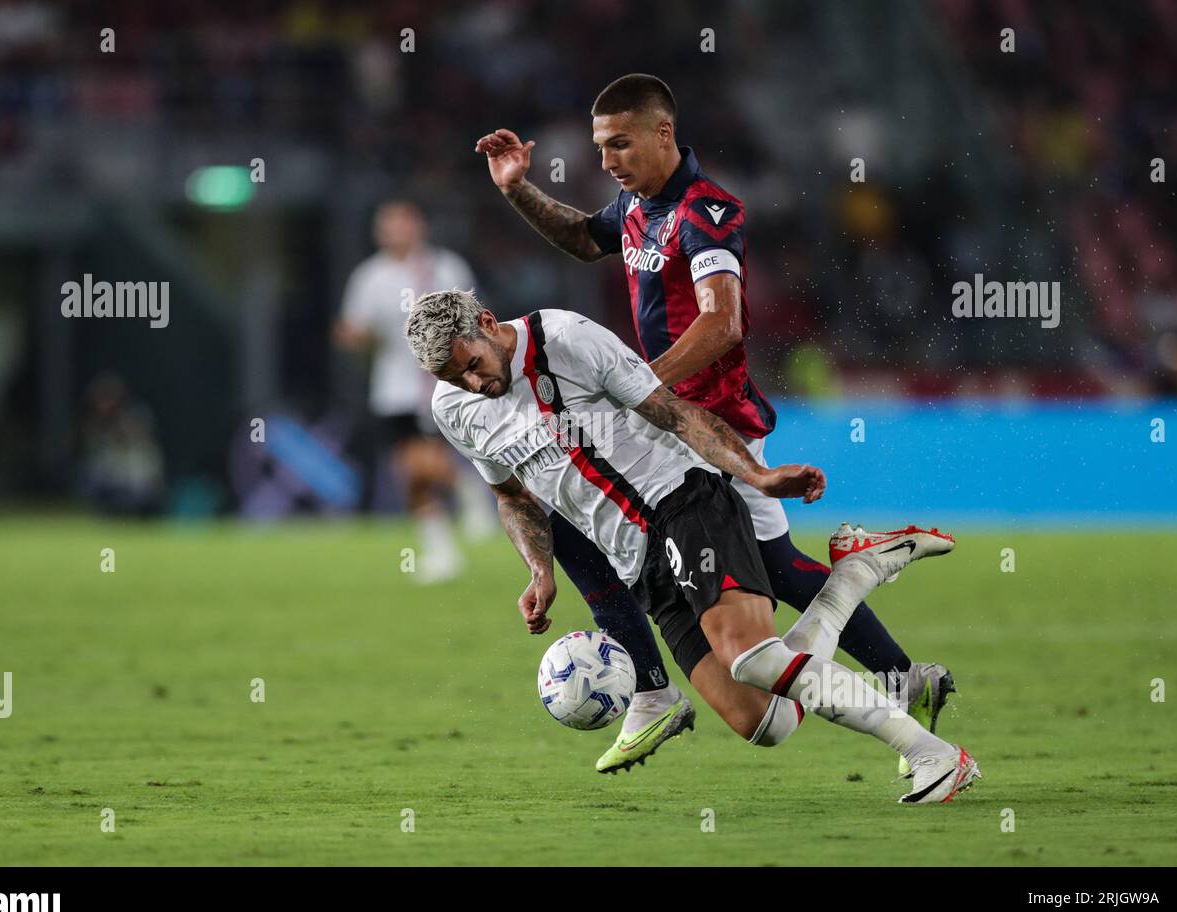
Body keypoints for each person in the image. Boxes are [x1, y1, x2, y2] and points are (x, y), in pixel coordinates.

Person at [476, 74, 953, 776]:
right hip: (668, 421)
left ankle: (652, 691)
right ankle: (901, 674)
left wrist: (638, 385)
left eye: (620, 144)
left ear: (663, 133)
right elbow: (582, 239)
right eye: (600, 147)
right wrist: (518, 188)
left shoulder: (707, 212)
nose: (606, 160)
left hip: (709, 426)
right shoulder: (638, 206)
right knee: (781, 569)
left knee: (582, 523)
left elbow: (722, 323)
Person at [405, 290, 980, 804]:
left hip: (683, 504)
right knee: (763, 722)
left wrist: (756, 476)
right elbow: (513, 498)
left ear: (486, 322)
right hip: (636, 561)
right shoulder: (453, 409)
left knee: (751, 657)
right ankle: (853, 575)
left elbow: (677, 414)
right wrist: (539, 570)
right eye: (458, 380)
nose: (475, 385)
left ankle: (934, 755)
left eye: (474, 366)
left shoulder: (568, 338)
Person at [333, 200, 495, 583]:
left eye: (400, 224)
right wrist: (354, 337)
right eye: (385, 225)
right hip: (392, 386)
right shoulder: (369, 276)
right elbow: (354, 328)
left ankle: (468, 489)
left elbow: (474, 320)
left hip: (441, 382)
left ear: (417, 226)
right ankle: (443, 545)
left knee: (417, 460)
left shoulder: (445, 267)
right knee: (409, 474)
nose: (392, 232)